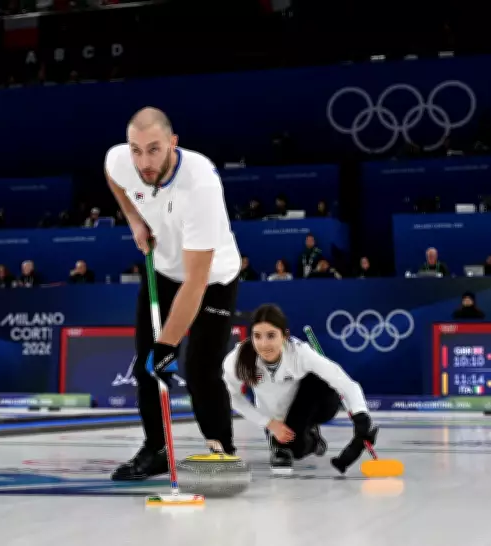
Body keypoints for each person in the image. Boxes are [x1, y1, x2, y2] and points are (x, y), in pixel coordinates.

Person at [105, 107, 242, 481]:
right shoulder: (121, 161)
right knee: (147, 365)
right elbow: (113, 176)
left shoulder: (200, 186)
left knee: (198, 368)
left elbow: (196, 282)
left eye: (153, 149)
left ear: (172, 144)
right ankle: (156, 449)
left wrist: (167, 345)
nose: (143, 161)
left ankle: (223, 453)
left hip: (212, 278)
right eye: (136, 150)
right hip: (163, 270)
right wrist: (135, 221)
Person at [222, 304, 375, 474]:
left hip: (309, 403)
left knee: (319, 379)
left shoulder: (299, 353)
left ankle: (308, 426)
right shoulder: (239, 359)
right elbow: (230, 395)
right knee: (297, 450)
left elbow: (344, 382)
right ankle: (312, 440)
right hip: (275, 418)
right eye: (257, 336)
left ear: (284, 335)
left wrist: (360, 416)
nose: (264, 344)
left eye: (271, 336)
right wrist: (268, 423)